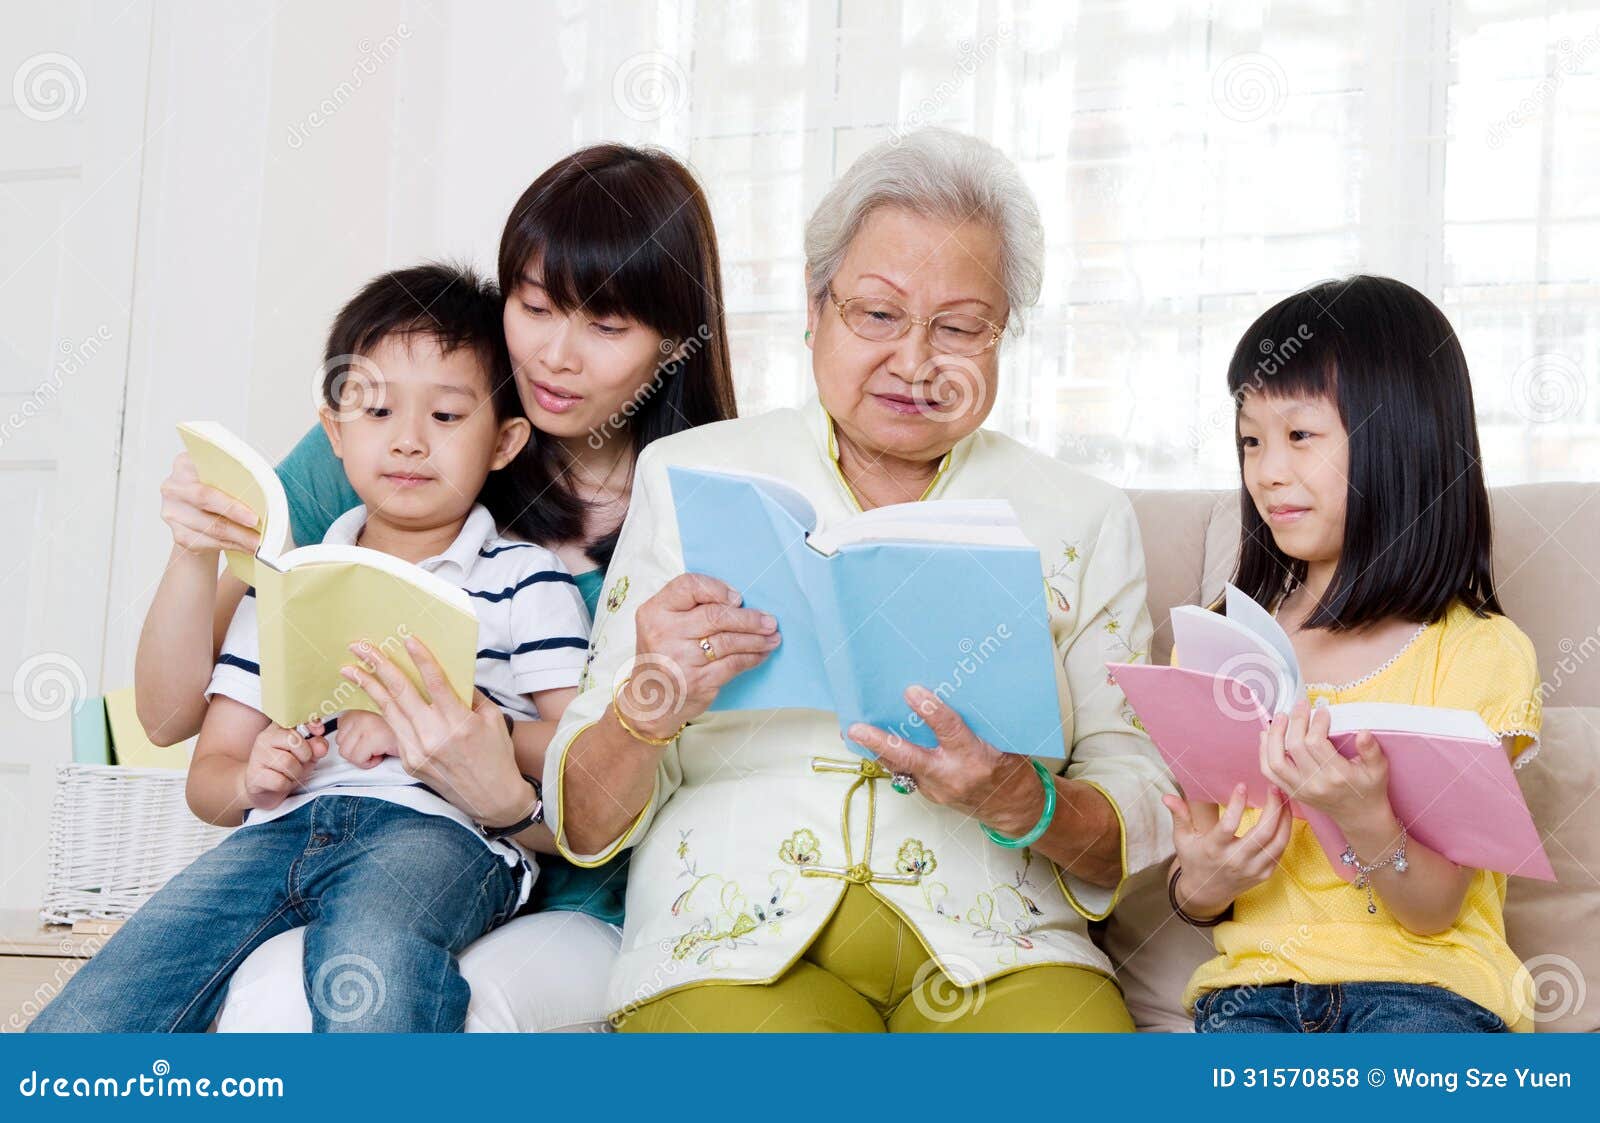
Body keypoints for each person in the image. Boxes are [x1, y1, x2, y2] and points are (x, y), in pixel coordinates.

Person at [545, 129, 1176, 1032]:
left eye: (959, 328)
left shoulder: (1082, 513)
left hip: (1004, 944)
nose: (916, 362)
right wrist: (648, 704)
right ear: (815, 308)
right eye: (877, 315)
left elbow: (1142, 806)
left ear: (1003, 337)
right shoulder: (691, 475)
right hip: (731, 935)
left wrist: (1018, 798)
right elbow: (583, 817)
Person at [129, 144, 737, 1031]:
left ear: (675, 344)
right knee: (266, 1003)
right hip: (342, 839)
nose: (556, 356)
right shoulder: (408, 424)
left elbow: (666, 769)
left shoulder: (700, 505)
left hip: (584, 890)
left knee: (436, 1003)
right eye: (534, 307)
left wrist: (488, 748)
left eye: (607, 329)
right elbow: (171, 716)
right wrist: (193, 552)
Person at [31, 264, 588, 1031]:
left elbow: (577, 751)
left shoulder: (526, 581)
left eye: (449, 416)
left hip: (442, 833)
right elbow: (208, 779)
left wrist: (432, 721)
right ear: (334, 432)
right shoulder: (286, 584)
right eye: (378, 410)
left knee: (373, 965)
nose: (408, 442)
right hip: (280, 830)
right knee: (96, 1011)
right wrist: (255, 777)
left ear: (505, 439)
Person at [1168, 275, 1544, 1033]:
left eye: (1300, 435)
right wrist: (1201, 883)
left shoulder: (1476, 653)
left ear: (1401, 439)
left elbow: (1434, 910)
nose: (1267, 470)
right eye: (1251, 439)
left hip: (1427, 991)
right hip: (1252, 995)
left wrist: (1362, 813)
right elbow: (1201, 893)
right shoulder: (1222, 644)